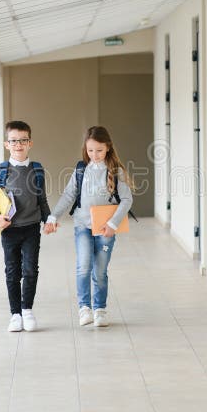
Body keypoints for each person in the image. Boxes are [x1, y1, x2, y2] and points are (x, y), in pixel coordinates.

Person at [45, 126, 133, 327]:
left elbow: (127, 200)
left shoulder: (116, 171)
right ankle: (85, 308)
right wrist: (53, 216)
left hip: (106, 230)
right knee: (83, 267)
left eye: (99, 150)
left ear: (108, 148)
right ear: (86, 148)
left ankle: (100, 309)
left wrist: (113, 224)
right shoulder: (81, 170)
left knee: (100, 270)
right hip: (82, 226)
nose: (94, 155)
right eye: (90, 150)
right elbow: (68, 195)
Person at [0, 121, 50, 332]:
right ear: (6, 144)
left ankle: (27, 309)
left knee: (30, 270)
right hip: (10, 230)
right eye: (13, 141)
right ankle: (15, 314)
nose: (18, 145)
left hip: (31, 228)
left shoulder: (37, 170)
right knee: (13, 271)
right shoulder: (1, 171)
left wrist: (48, 220)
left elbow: (42, 199)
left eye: (23, 140)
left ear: (30, 143)